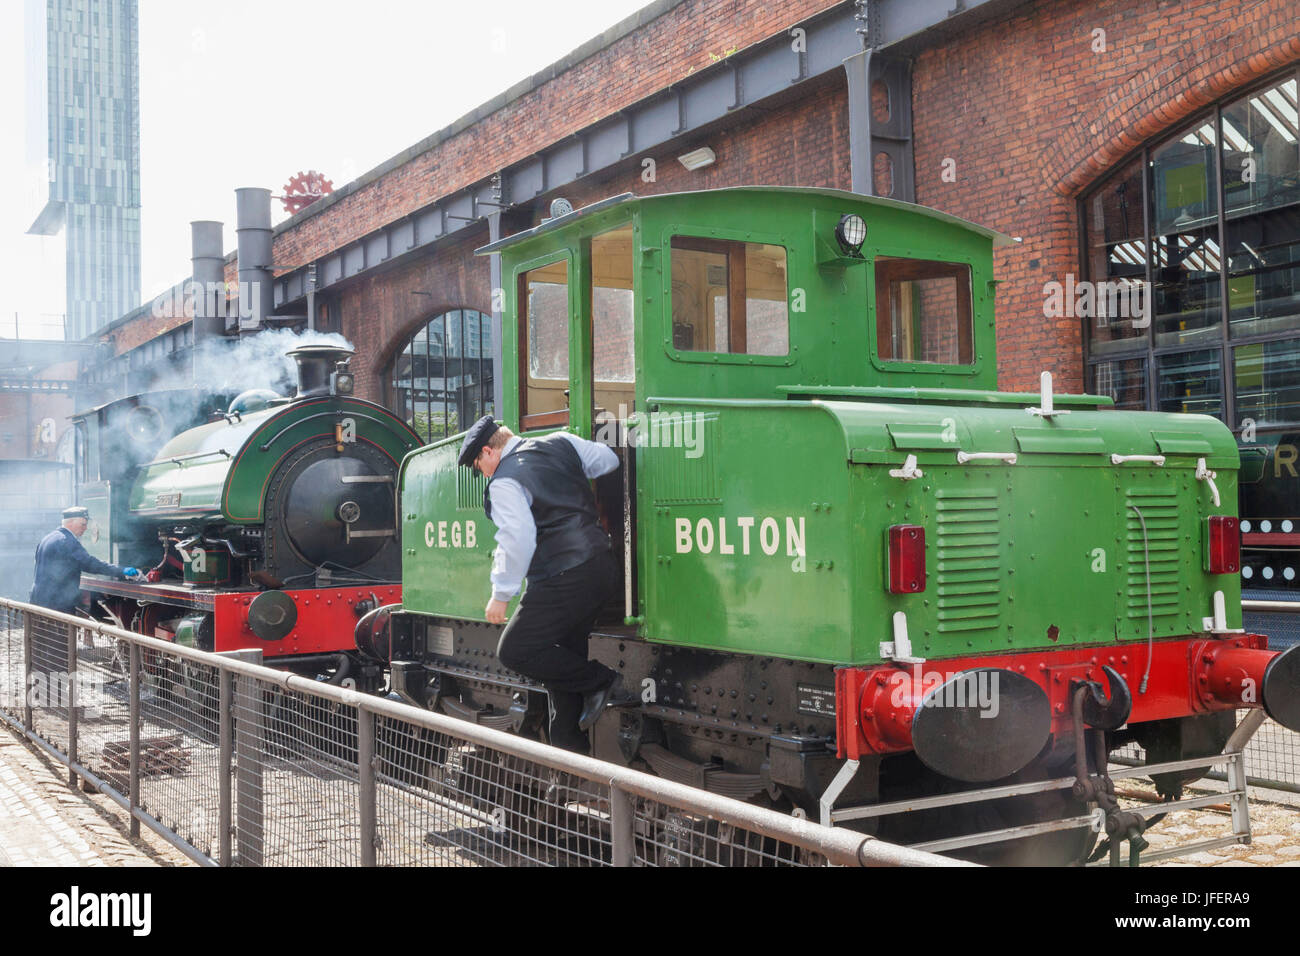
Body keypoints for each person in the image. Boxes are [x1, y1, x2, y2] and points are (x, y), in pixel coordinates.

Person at [458, 415, 635, 752]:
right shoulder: (561, 442)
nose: (483, 472)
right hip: (601, 567)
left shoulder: (504, 481)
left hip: (563, 576)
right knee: (563, 657)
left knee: (515, 650)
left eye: (479, 464)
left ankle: (604, 682)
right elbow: (608, 460)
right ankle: (570, 751)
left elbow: (518, 539)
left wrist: (501, 594)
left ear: (488, 451)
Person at [30, 506, 139, 615]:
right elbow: (89, 564)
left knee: (40, 632)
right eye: (83, 524)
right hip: (57, 604)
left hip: (39, 599)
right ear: (71, 523)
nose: (86, 528)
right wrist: (121, 570)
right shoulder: (67, 541)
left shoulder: (48, 538)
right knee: (61, 632)